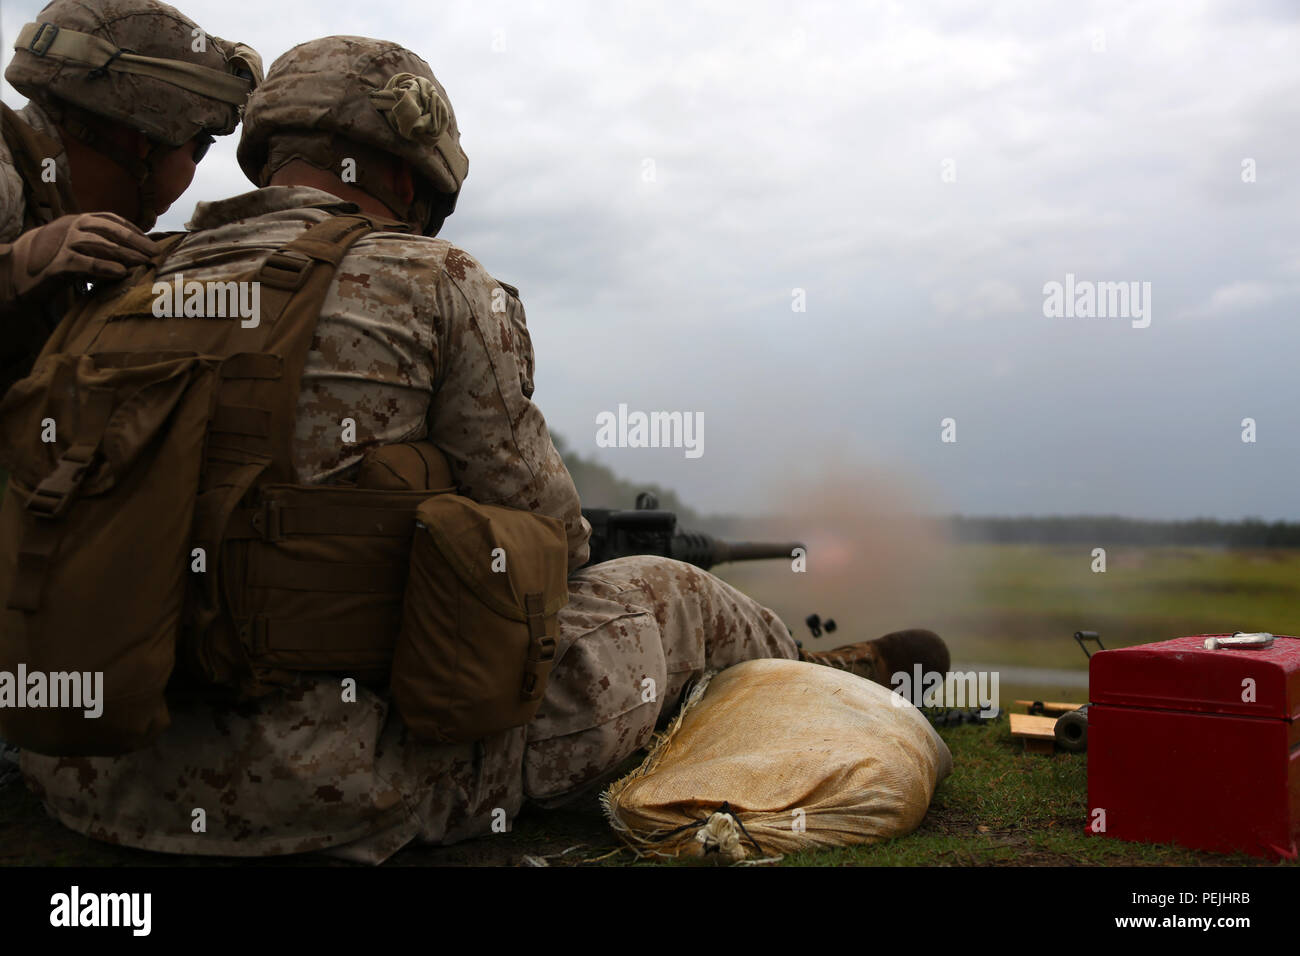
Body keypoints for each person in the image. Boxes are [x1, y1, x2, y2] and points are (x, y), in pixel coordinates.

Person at [16, 36, 947, 864]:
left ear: (273, 154)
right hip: (327, 787)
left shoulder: (121, 276)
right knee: (673, 591)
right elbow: (551, 535)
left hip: (93, 779)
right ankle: (830, 687)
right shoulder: (437, 277)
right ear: (414, 179)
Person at [0, 0, 260, 395]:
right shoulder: (7, 181)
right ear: (145, 137)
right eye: (199, 147)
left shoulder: (47, 203)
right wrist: (16, 268)